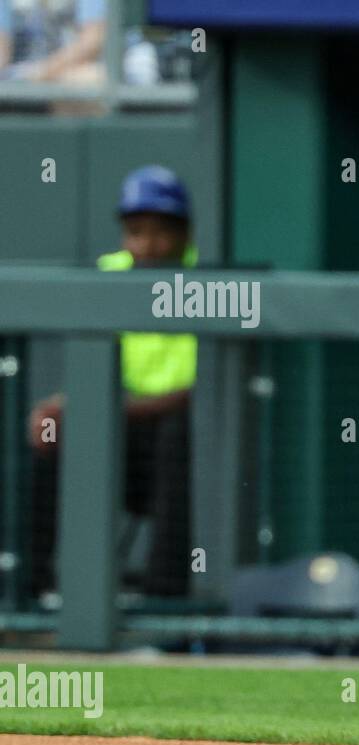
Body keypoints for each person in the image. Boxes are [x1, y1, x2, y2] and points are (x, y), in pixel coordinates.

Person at [29, 165, 198, 599]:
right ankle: (32, 590)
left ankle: (164, 597)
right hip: (123, 434)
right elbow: (92, 370)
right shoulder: (111, 273)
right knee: (52, 432)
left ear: (185, 234)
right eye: (135, 231)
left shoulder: (205, 278)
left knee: (176, 438)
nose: (147, 245)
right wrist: (61, 407)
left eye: (161, 231)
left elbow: (196, 392)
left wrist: (110, 409)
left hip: (187, 446)